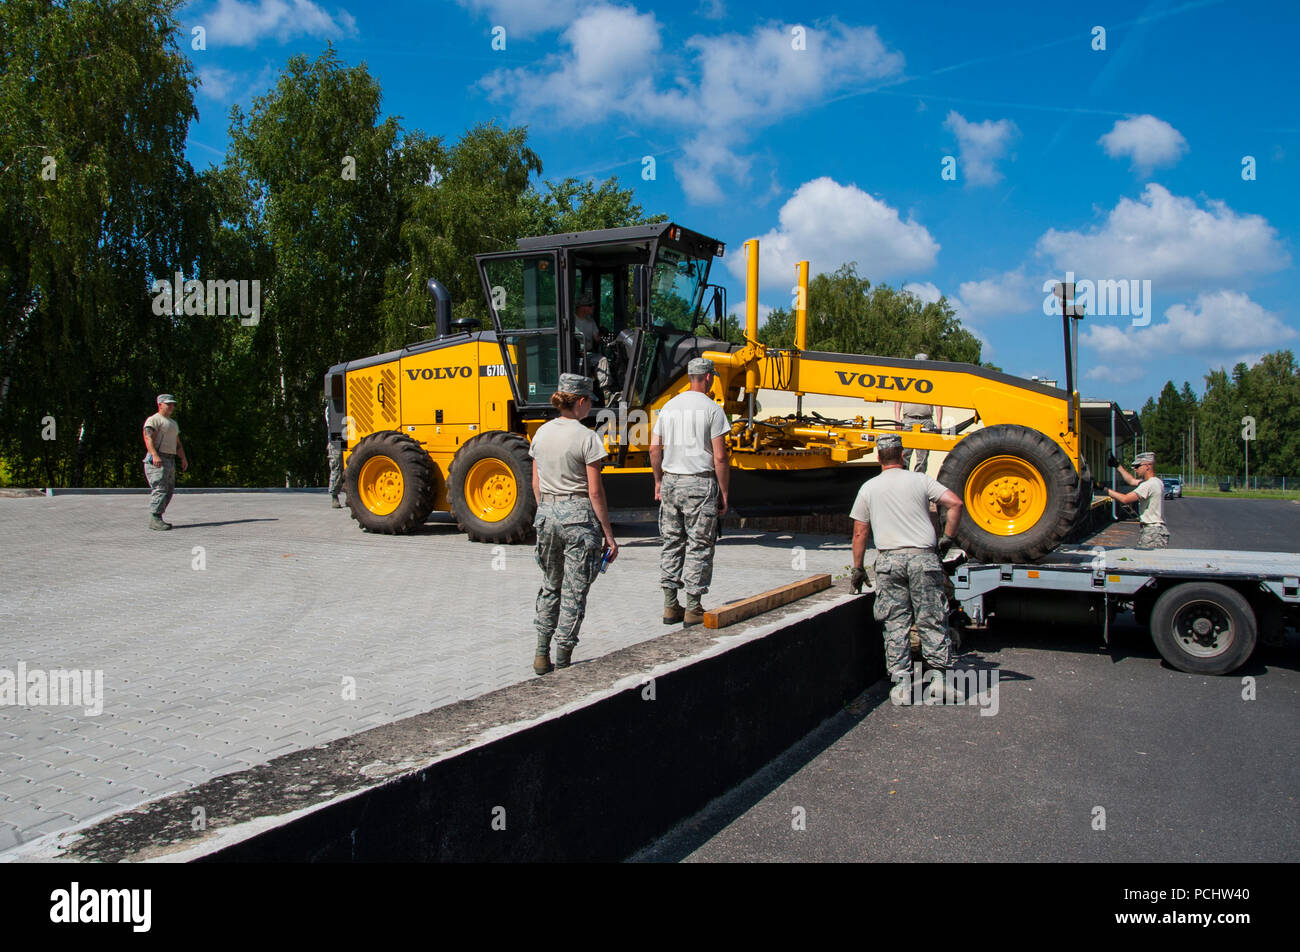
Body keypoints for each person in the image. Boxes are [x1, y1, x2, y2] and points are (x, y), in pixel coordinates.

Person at [849, 434, 964, 703]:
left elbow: (859, 532)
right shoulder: (921, 480)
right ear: (902, 455)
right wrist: (948, 537)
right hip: (924, 559)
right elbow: (955, 503)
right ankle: (939, 679)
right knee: (932, 617)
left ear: (879, 458)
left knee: (895, 622)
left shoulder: (868, 488)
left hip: (890, 561)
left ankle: (901, 684)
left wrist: (858, 569)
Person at [529, 373, 619, 675]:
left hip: (547, 514)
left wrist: (547, 510)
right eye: (590, 401)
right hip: (579, 518)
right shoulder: (587, 438)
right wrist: (609, 535)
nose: (591, 406)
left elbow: (535, 482)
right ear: (580, 401)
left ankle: (541, 654)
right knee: (574, 591)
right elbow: (595, 491)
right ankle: (564, 656)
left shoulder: (540, 433)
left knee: (551, 585)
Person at [650, 357, 731, 627]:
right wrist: (724, 491)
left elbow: (653, 449)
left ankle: (670, 605)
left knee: (672, 542)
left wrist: (659, 481)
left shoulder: (668, 407)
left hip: (672, 481)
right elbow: (720, 457)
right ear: (708, 378)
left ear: (689, 377)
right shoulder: (713, 410)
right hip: (699, 483)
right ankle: (694, 607)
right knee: (699, 545)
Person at [142, 394, 188, 530]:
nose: (171, 406)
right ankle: (154, 518)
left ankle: (158, 517)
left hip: (170, 459)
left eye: (173, 404)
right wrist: (154, 455)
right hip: (158, 459)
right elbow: (148, 438)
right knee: (160, 489)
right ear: (160, 404)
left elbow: (177, 443)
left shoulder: (173, 423)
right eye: (168, 404)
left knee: (169, 490)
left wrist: (183, 458)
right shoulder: (154, 420)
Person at [1105, 450, 1168, 548]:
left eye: (1137, 466)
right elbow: (1131, 481)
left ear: (1147, 466)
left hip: (1152, 532)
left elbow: (1125, 499)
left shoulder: (1149, 485)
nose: (1135, 469)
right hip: (1154, 530)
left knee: (1147, 561)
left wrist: (1104, 489)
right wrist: (1118, 466)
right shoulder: (1156, 482)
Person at [896, 353, 944, 474]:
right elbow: (898, 399)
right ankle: (903, 478)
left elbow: (938, 402)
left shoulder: (932, 380)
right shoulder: (907, 378)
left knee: (922, 457)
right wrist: (897, 419)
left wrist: (938, 423)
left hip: (926, 421)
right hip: (908, 420)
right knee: (905, 454)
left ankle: (919, 479)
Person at [573, 288, 613, 403]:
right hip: (573, 354)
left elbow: (596, 338)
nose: (592, 308)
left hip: (588, 353)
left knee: (602, 359)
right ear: (582, 306)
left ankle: (606, 393)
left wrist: (603, 335)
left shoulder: (590, 321)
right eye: (590, 305)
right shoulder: (571, 320)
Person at [326, 401, 344, 508]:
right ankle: (334, 495)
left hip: (350, 433)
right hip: (337, 437)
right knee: (336, 465)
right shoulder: (331, 408)